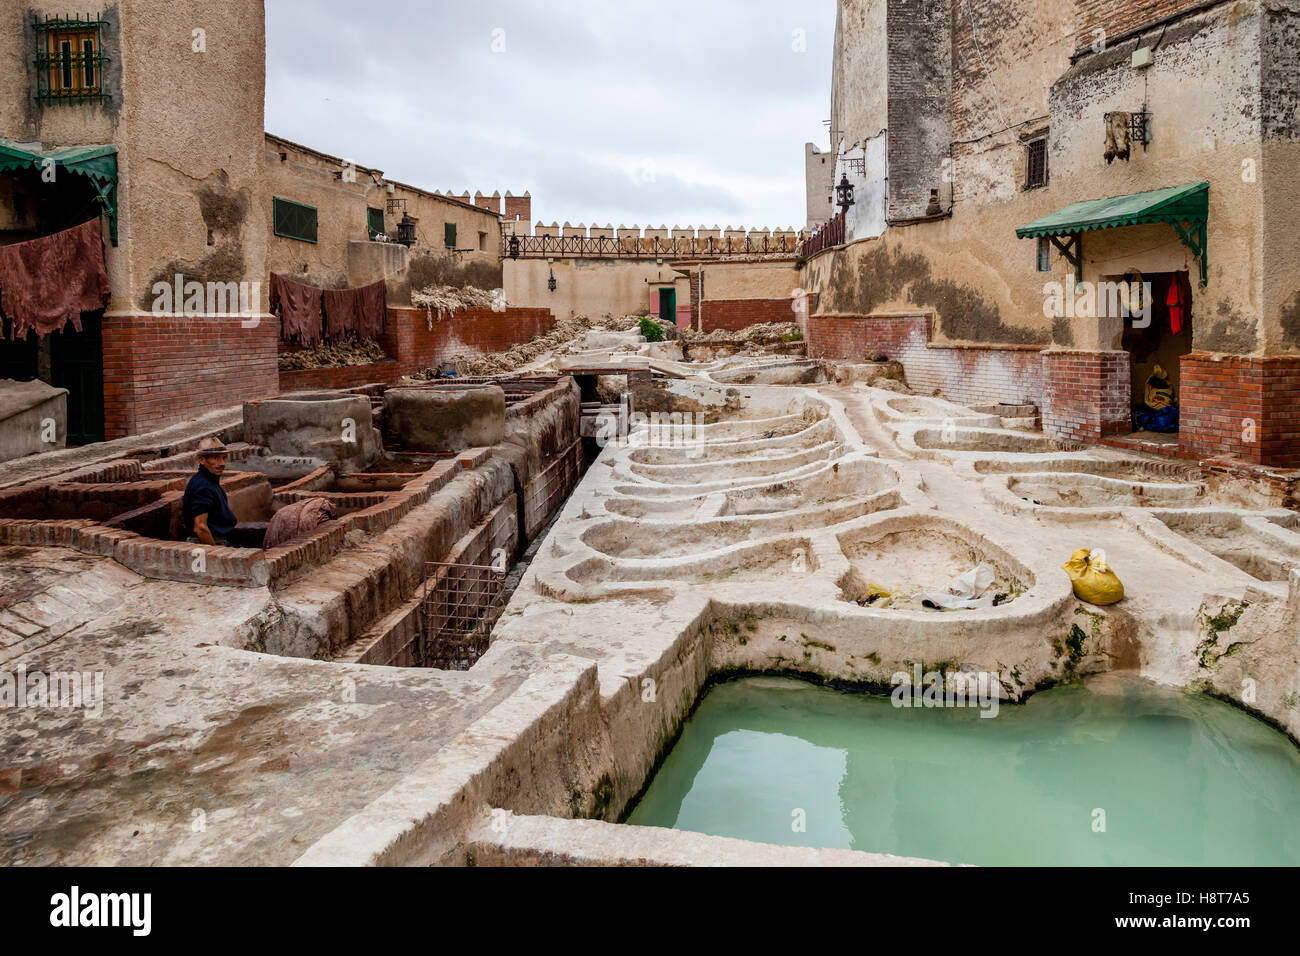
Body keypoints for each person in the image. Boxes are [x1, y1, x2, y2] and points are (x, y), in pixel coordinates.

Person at [182, 437, 238, 545]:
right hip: (207, 542)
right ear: (202, 459)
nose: (222, 463)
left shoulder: (208, 481)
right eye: (216, 458)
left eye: (224, 458)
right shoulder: (203, 487)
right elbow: (200, 528)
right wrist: (216, 553)